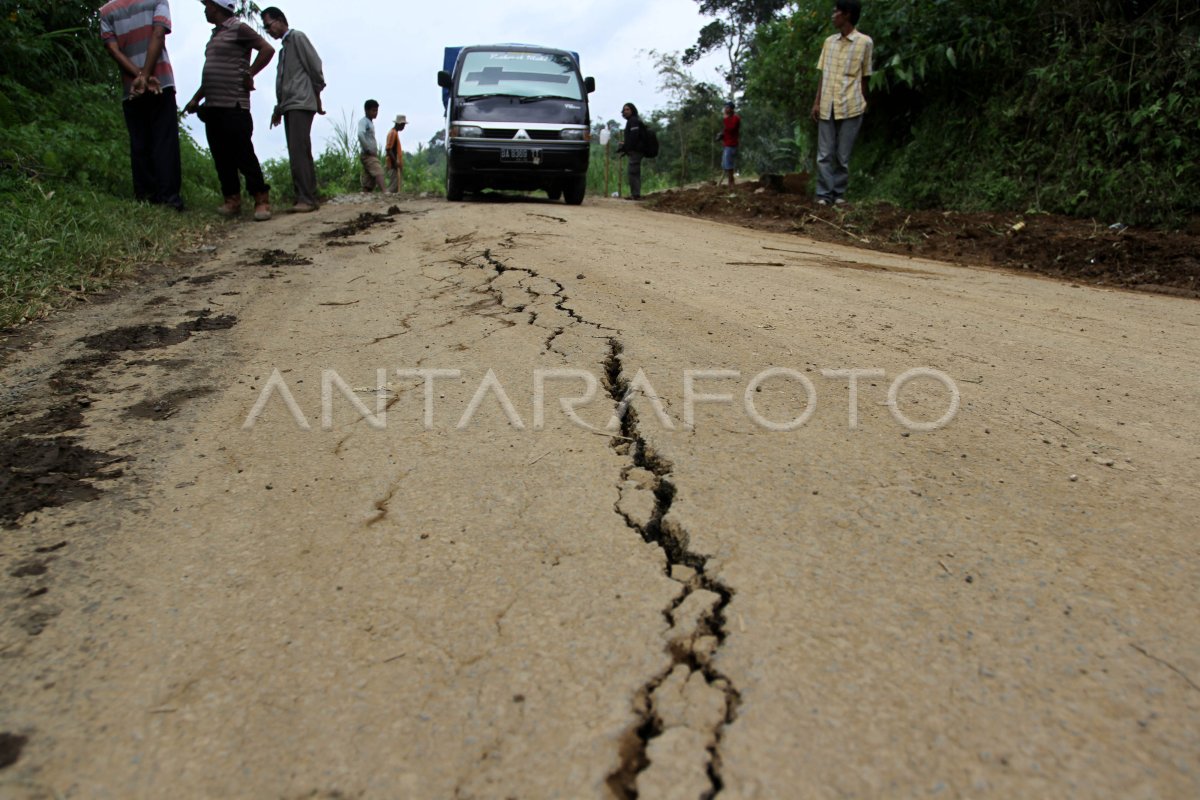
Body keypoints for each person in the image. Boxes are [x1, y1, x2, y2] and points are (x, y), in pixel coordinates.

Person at [185, 0, 275, 220]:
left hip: (234, 104)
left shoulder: (238, 28)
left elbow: (267, 49)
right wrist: (196, 99)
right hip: (213, 105)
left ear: (217, 7)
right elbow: (212, 74)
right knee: (221, 156)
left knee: (243, 154)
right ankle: (232, 199)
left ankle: (261, 199)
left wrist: (249, 73)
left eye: (207, 5)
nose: (205, 10)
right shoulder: (215, 35)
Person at [99, 0, 184, 211]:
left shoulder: (107, 11)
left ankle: (146, 198)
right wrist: (146, 75)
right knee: (164, 140)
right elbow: (158, 34)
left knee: (140, 142)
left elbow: (113, 49)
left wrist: (138, 76)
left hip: (131, 87)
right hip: (160, 81)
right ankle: (169, 199)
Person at [261, 6, 324, 213]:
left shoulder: (297, 38)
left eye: (269, 25)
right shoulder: (283, 50)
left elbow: (315, 65)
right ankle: (307, 195)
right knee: (299, 150)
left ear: (280, 20)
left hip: (300, 102)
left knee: (299, 150)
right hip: (290, 104)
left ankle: (306, 198)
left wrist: (317, 93)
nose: (268, 31)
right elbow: (283, 82)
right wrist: (278, 108)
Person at [810, 0, 873, 206]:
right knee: (824, 154)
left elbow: (865, 76)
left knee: (842, 155)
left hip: (852, 104)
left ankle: (838, 194)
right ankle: (823, 195)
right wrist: (817, 102)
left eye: (836, 12)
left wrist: (864, 102)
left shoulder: (865, 43)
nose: (833, 15)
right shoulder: (829, 42)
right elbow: (823, 75)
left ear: (846, 15)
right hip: (827, 103)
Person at [615, 102, 645, 200]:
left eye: (628, 109)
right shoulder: (631, 121)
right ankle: (635, 194)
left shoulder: (634, 121)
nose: (626, 111)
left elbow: (634, 137)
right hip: (634, 150)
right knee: (633, 172)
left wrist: (627, 147)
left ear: (632, 110)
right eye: (624, 110)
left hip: (636, 151)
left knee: (633, 172)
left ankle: (635, 195)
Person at [358, 99, 387, 193]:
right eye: (373, 110)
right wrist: (367, 148)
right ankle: (384, 191)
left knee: (369, 179)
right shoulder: (364, 122)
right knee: (378, 171)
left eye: (376, 110)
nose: (375, 113)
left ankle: (365, 194)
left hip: (371, 153)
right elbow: (360, 134)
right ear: (366, 110)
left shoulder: (370, 122)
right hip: (368, 154)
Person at [716, 101, 741, 188]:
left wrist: (725, 118)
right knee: (724, 164)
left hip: (732, 145)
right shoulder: (728, 118)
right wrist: (722, 135)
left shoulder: (735, 118)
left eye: (727, 108)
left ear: (731, 109)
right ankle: (723, 182)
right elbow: (727, 130)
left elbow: (731, 128)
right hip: (727, 144)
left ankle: (731, 183)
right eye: (725, 108)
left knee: (728, 164)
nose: (725, 109)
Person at [385, 115, 406, 194]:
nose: (403, 127)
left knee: (396, 186)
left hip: (394, 165)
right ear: (399, 124)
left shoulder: (395, 133)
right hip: (393, 165)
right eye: (403, 125)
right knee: (393, 187)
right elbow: (389, 149)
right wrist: (395, 162)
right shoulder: (393, 133)